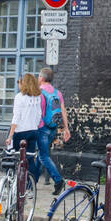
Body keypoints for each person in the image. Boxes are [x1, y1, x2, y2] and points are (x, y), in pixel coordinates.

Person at [5, 73, 44, 187]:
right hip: (33, 131)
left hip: (20, 132)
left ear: (24, 83)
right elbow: (39, 115)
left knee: (10, 155)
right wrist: (34, 126)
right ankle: (30, 186)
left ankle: (9, 181)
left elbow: (16, 117)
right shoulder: (37, 97)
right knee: (30, 159)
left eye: (19, 82)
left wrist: (10, 136)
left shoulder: (19, 97)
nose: (18, 84)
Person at [36, 67, 70, 196]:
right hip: (53, 128)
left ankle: (58, 180)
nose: (38, 78)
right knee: (42, 155)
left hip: (42, 128)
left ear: (43, 78)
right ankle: (31, 183)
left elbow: (37, 111)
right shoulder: (57, 92)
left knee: (43, 156)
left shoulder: (39, 92)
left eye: (39, 76)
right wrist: (66, 129)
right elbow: (63, 111)